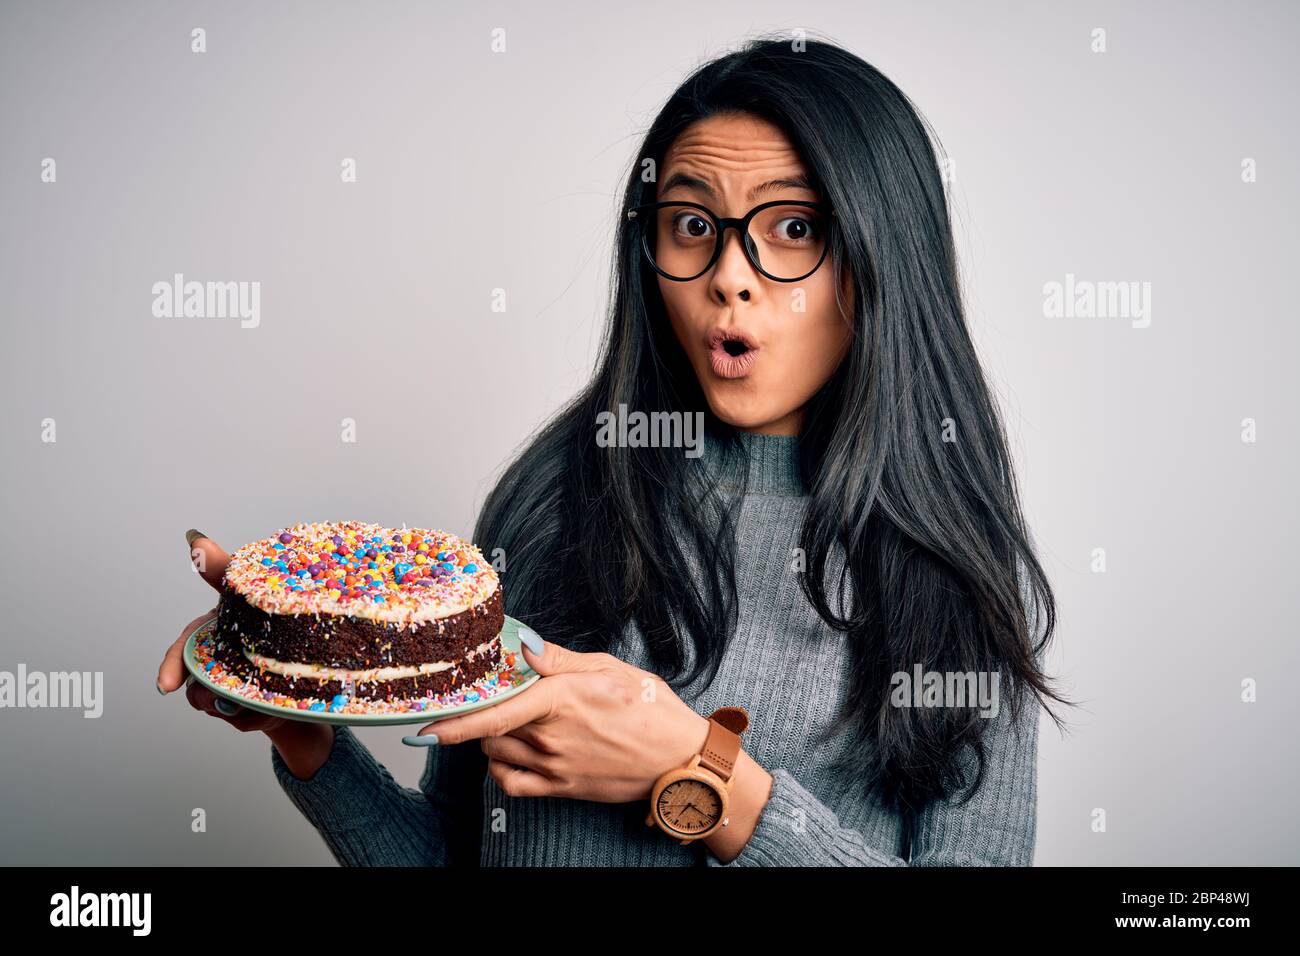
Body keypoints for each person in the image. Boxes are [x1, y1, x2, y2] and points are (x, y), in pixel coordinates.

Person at [157, 34, 1069, 866]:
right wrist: (306, 733)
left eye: (794, 227)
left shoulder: (958, 577)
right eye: (693, 225)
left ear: (882, 258)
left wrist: (702, 775)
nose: (729, 277)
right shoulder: (554, 495)